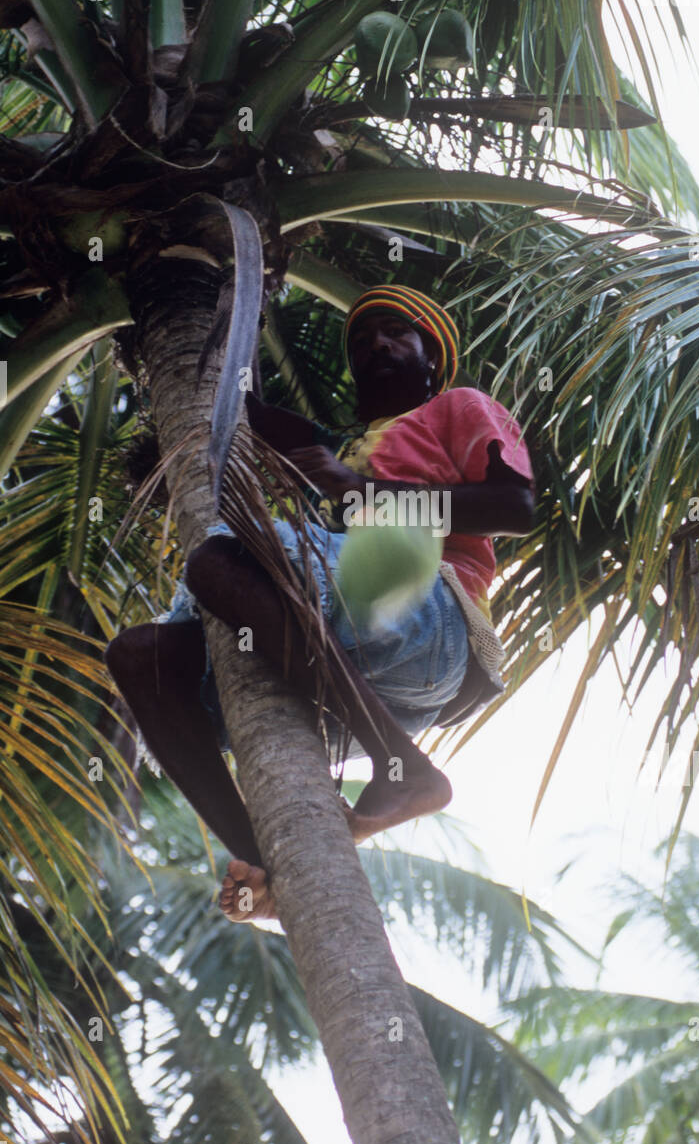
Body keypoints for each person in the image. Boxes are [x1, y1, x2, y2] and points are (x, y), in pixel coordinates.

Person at [106, 284, 535, 921]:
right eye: (362, 341)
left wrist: (363, 491)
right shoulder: (332, 446)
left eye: (397, 332)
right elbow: (227, 402)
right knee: (140, 656)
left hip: (432, 621)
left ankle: (402, 770)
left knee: (220, 563)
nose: (377, 345)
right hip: (351, 677)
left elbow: (515, 508)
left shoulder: (456, 407)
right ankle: (264, 861)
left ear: (432, 358)